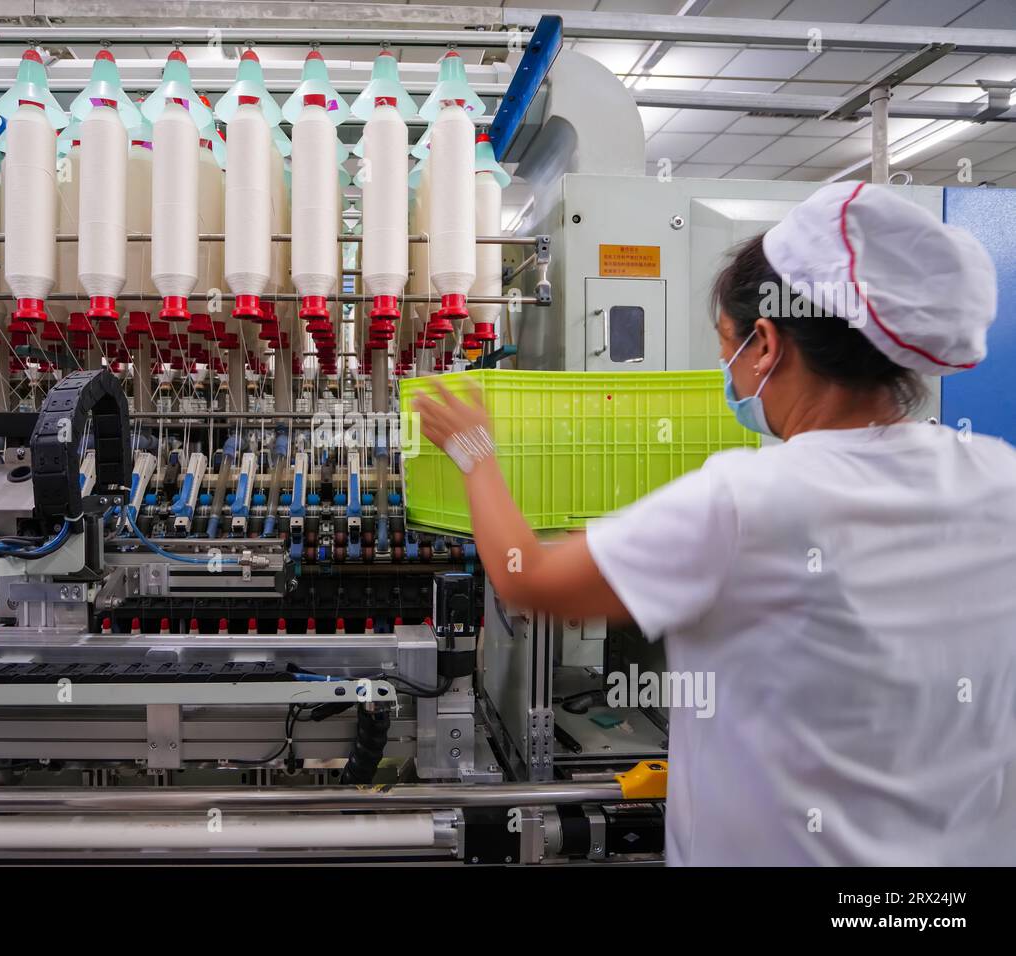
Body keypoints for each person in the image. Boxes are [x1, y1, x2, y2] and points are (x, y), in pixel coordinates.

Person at [414, 181, 1016, 866]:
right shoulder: (1001, 477)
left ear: (765, 342)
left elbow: (528, 577)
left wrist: (473, 453)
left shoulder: (749, 499)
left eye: (725, 346)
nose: (725, 370)